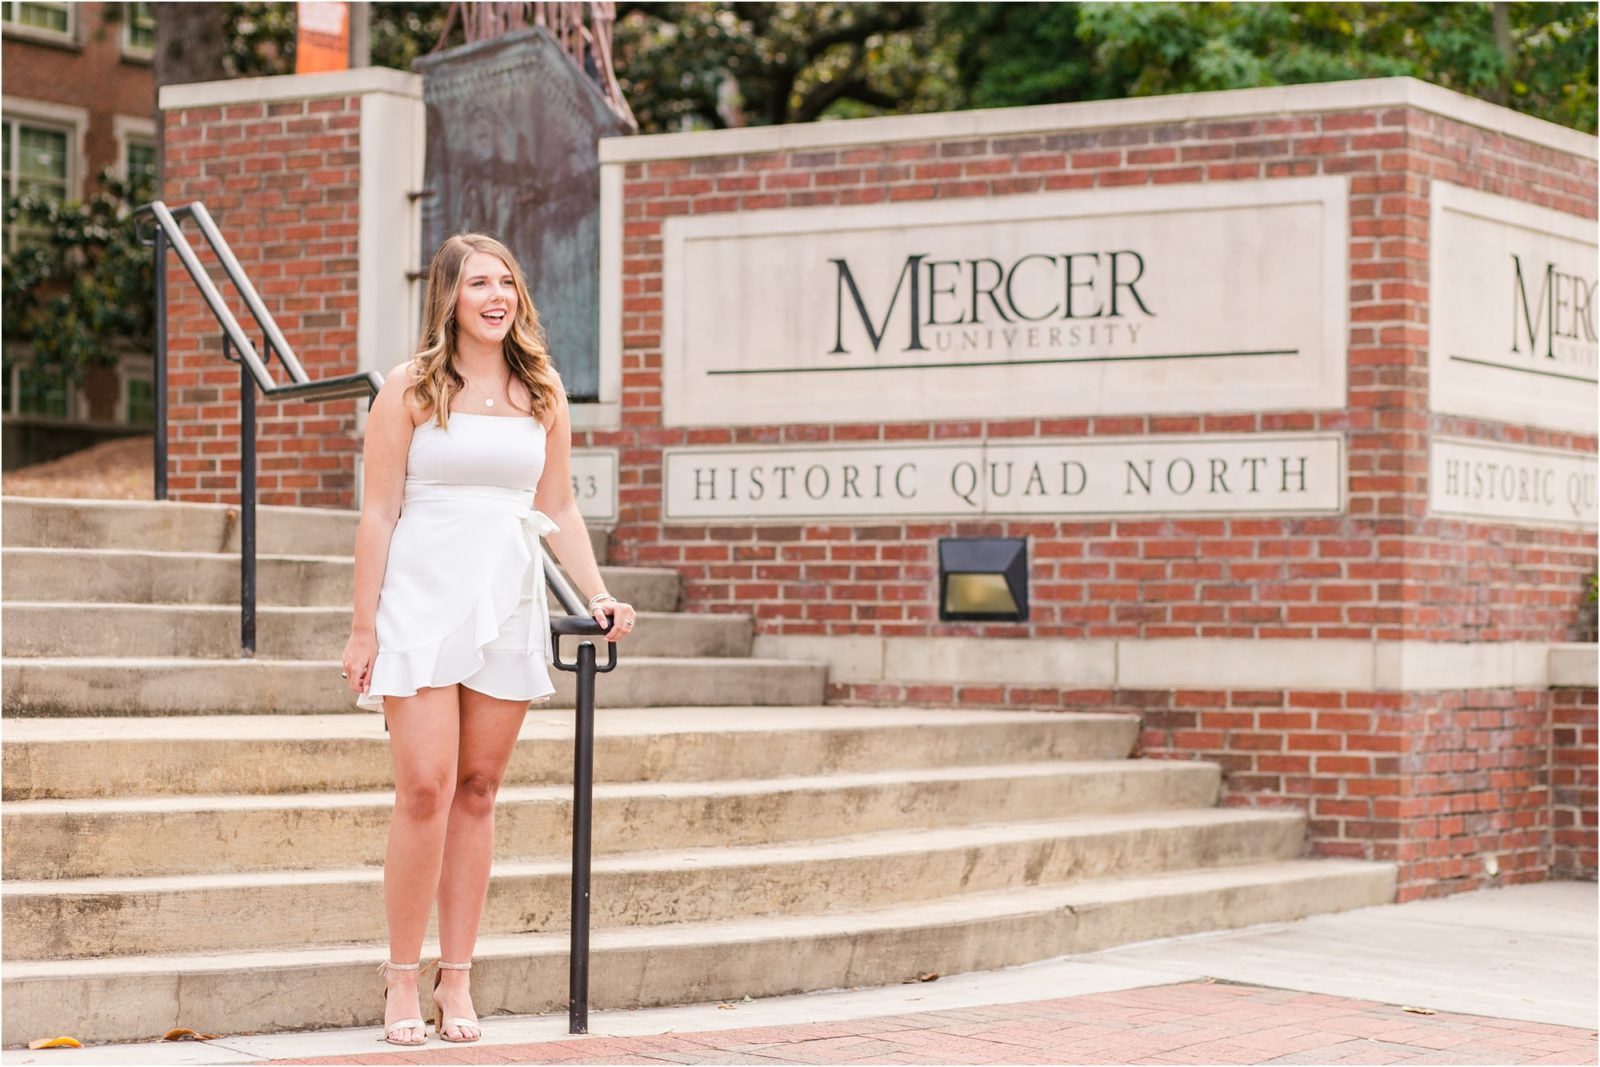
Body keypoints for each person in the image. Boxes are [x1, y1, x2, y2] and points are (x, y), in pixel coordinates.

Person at [340, 232, 636, 1046]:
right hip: (420, 603)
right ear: (449, 296)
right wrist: (364, 626)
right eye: (478, 283)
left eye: (506, 281)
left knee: (477, 788)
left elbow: (559, 505)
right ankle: (403, 975)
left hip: (508, 600)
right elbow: (378, 513)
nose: (497, 295)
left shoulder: (541, 389)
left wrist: (597, 593)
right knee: (425, 787)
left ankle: (458, 977)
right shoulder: (408, 388)